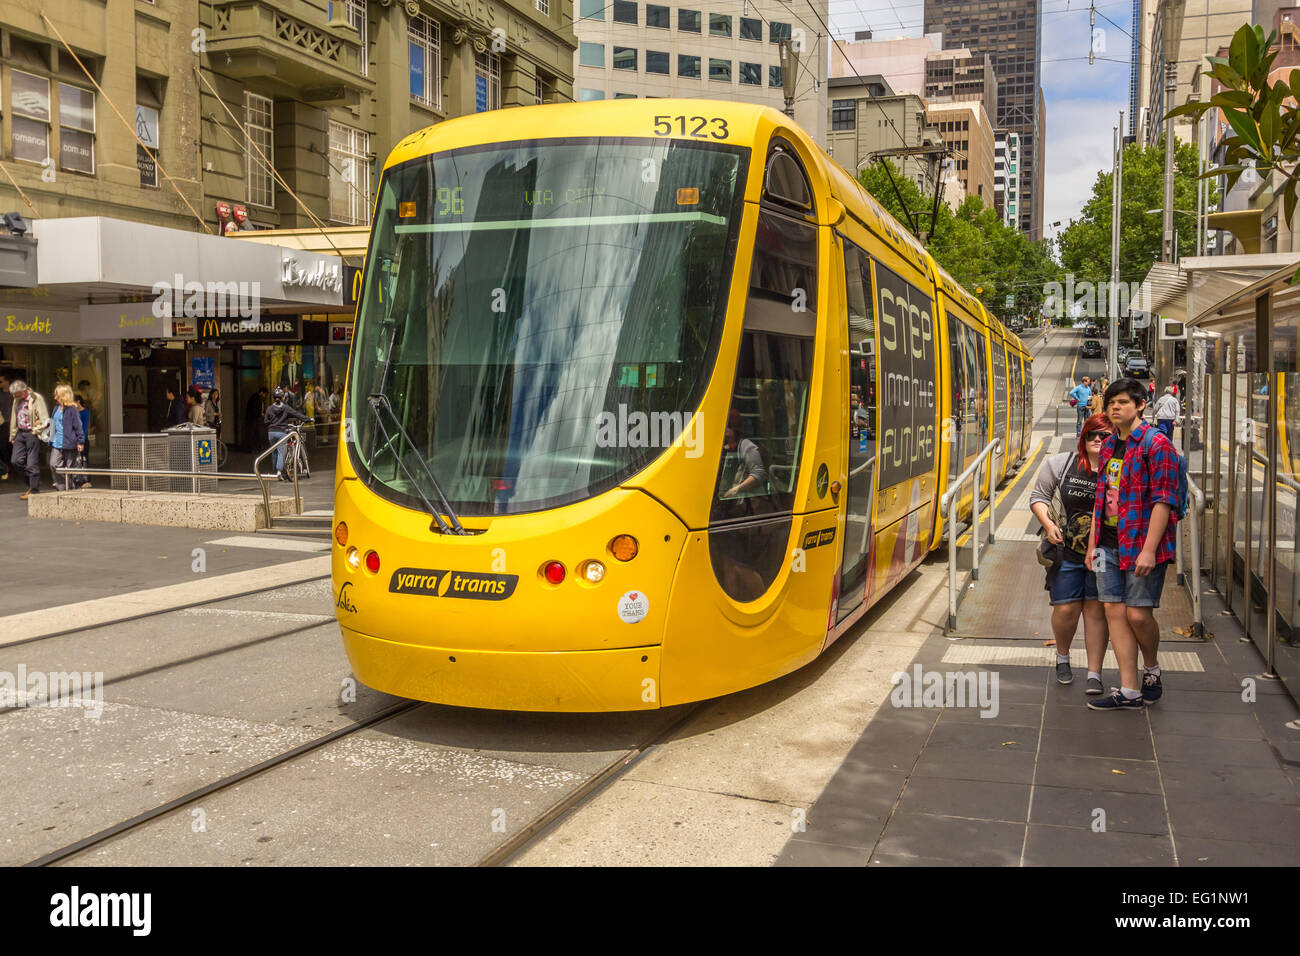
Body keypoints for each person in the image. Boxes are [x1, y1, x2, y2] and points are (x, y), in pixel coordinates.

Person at [1084, 378, 1181, 711]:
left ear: (1141, 405)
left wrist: (1150, 550)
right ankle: (1128, 689)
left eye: (1123, 402)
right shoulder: (1110, 445)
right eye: (1111, 402)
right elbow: (1101, 498)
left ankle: (1150, 667)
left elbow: (1164, 500)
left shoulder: (1157, 444)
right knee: (1113, 612)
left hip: (1141, 543)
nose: (1114, 408)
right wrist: (1091, 545)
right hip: (1107, 545)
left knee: (1138, 616)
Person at [1030, 412, 1112, 693]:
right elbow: (1039, 496)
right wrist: (1049, 524)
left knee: (1095, 611)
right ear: (1084, 436)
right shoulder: (1061, 464)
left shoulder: (1118, 470)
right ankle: (1062, 657)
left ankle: (1094, 673)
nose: (1098, 440)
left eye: (1105, 435)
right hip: (1066, 551)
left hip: (1103, 553)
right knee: (1065, 608)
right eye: (1093, 434)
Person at [8, 380, 50, 500]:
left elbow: (45, 418)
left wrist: (36, 429)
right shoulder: (16, 400)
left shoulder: (36, 398)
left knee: (32, 463)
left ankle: (34, 490)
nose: (15, 397)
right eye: (14, 395)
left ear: (24, 390)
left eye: (17, 394)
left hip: (31, 433)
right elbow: (14, 418)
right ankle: (32, 483)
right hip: (20, 433)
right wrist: (12, 435)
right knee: (15, 461)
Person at [264, 387, 309, 480]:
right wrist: (306, 419)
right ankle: (279, 472)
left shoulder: (269, 408)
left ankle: (275, 470)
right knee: (281, 451)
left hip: (271, 433)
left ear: (273, 398)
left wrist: (272, 424)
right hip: (281, 432)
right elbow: (296, 414)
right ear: (283, 398)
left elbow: (266, 421)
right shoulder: (285, 408)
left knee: (274, 451)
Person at [48, 384, 86, 491]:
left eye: (56, 393)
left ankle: (69, 489)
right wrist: (49, 437)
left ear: (62, 395)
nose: (54, 395)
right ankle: (63, 487)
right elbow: (52, 423)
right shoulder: (56, 408)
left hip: (69, 443)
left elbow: (78, 426)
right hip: (56, 442)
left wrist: (80, 441)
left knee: (69, 469)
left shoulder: (72, 409)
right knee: (53, 464)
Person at [244, 387, 268, 452]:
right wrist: (260, 414)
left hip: (254, 419)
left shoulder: (256, 397)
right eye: (265, 394)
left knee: (255, 434)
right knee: (254, 434)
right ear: (262, 392)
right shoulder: (256, 398)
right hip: (253, 419)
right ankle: (252, 449)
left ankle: (255, 448)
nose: (265, 396)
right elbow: (254, 409)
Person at [0, 373, 11, 480]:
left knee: (10, 446)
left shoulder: (13, 395)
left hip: (12, 424)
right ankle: (5, 468)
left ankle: (6, 468)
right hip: (2, 423)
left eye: (1, 381)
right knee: (3, 447)